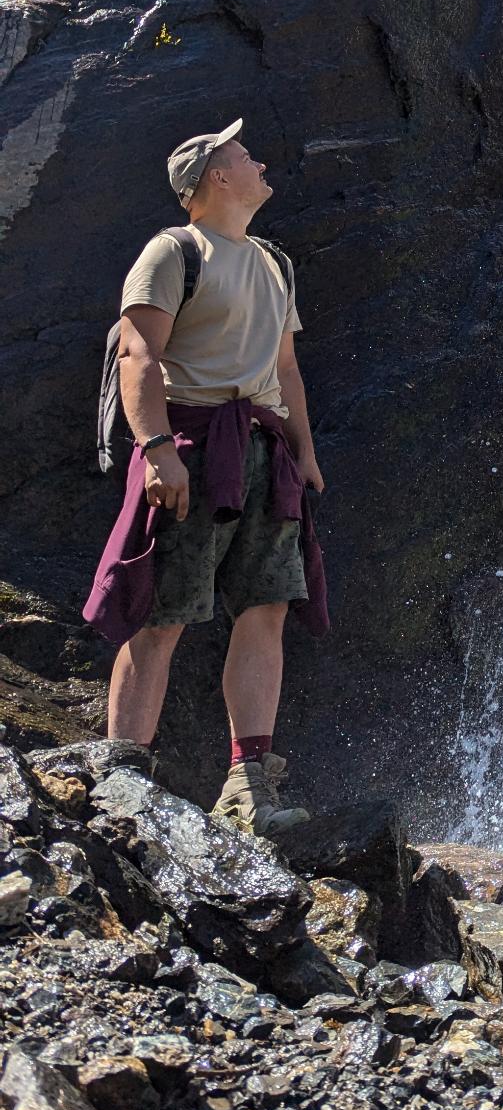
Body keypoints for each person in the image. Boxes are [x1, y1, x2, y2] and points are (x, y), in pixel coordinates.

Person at [85, 119, 327, 836]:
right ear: (215, 177)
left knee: (267, 607)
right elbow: (138, 353)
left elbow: (285, 370)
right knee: (161, 612)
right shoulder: (173, 251)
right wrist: (156, 448)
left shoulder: (274, 262)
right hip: (189, 444)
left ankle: (247, 786)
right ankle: (119, 780)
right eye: (244, 154)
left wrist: (304, 453)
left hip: (262, 449)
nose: (258, 161)